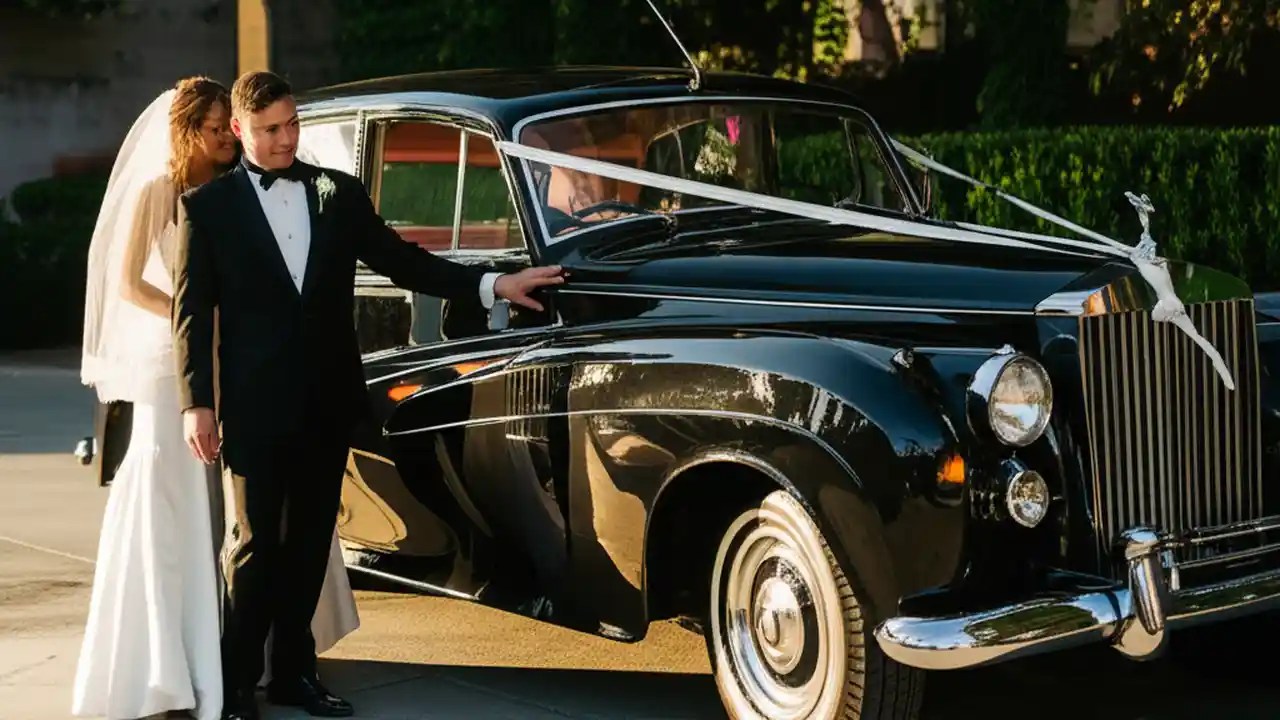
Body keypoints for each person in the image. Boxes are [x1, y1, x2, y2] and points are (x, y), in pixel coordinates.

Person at [172, 70, 564, 720]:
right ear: (239, 130)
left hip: (326, 402)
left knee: (308, 547)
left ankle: (293, 676)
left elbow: (402, 259)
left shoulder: (337, 193)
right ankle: (235, 685)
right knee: (256, 547)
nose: (284, 138)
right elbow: (192, 313)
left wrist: (495, 283)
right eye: (270, 129)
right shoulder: (208, 208)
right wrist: (198, 403)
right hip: (255, 407)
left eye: (292, 125)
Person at [73, 77, 359, 720]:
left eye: (230, 126)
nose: (226, 140)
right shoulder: (167, 194)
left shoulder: (250, 193)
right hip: (174, 362)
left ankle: (268, 660)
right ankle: (177, 659)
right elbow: (132, 285)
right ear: (189, 131)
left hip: (249, 369)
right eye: (214, 129)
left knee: (258, 522)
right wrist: (201, 318)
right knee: (192, 509)